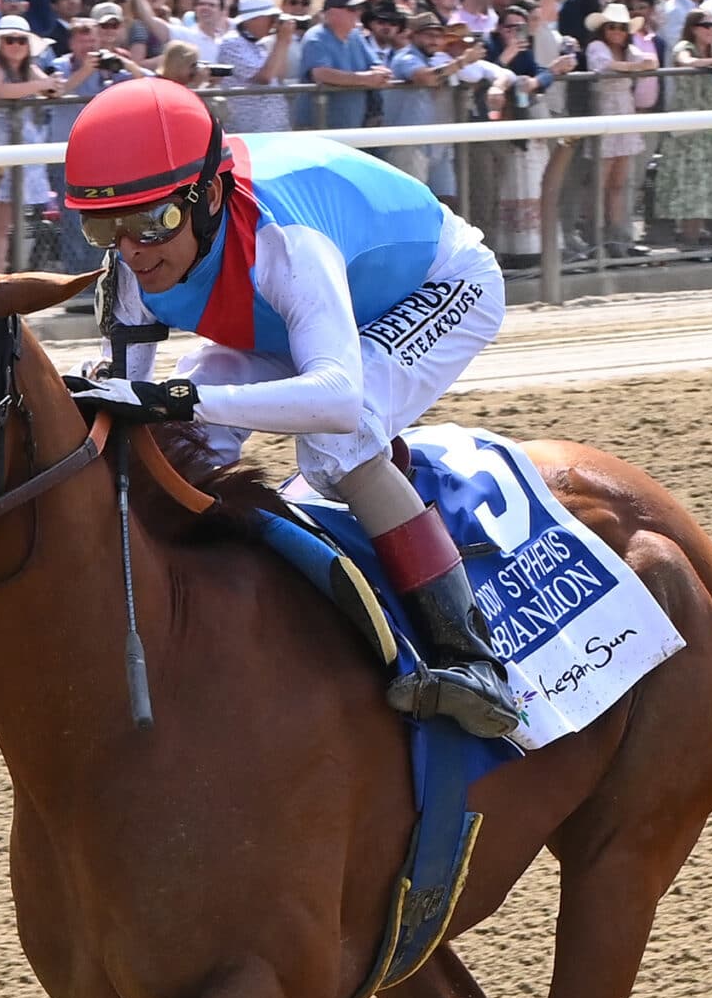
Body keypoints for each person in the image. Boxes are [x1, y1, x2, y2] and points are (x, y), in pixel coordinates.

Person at [59, 76, 523, 738]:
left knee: (340, 441)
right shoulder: (131, 264)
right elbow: (136, 420)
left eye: (152, 222)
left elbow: (333, 397)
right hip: (292, 324)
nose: (133, 249)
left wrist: (179, 395)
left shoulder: (286, 244)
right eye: (103, 226)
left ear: (208, 196)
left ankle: (471, 658)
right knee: (179, 440)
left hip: (438, 286)